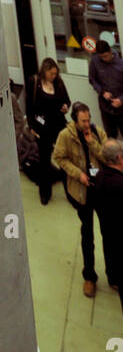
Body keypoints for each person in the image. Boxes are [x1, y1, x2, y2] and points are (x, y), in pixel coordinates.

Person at [53, 102, 108, 297]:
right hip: (82, 192)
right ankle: (89, 277)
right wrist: (78, 174)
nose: (87, 124)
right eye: (83, 121)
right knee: (88, 235)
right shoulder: (65, 136)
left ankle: (114, 275)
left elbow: (107, 158)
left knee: (108, 233)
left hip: (101, 190)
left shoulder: (97, 132)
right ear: (75, 120)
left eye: (89, 119)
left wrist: (92, 141)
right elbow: (58, 157)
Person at [28, 57, 70, 204]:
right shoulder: (34, 82)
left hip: (59, 126)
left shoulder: (58, 82)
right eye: (51, 74)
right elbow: (30, 107)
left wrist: (65, 107)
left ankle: (70, 193)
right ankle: (45, 193)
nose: (53, 76)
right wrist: (32, 127)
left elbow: (67, 100)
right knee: (45, 161)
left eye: (55, 74)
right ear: (44, 71)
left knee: (64, 159)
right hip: (43, 128)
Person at [93, 140, 123, 310]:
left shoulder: (100, 176)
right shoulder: (119, 184)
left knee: (109, 248)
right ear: (119, 158)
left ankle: (113, 279)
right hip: (119, 231)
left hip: (107, 225)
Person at [88, 40, 123, 139]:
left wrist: (121, 100)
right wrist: (102, 92)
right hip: (106, 107)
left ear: (110, 51)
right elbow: (92, 79)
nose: (104, 59)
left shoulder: (121, 64)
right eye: (101, 57)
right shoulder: (95, 61)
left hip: (121, 107)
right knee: (110, 136)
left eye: (106, 56)